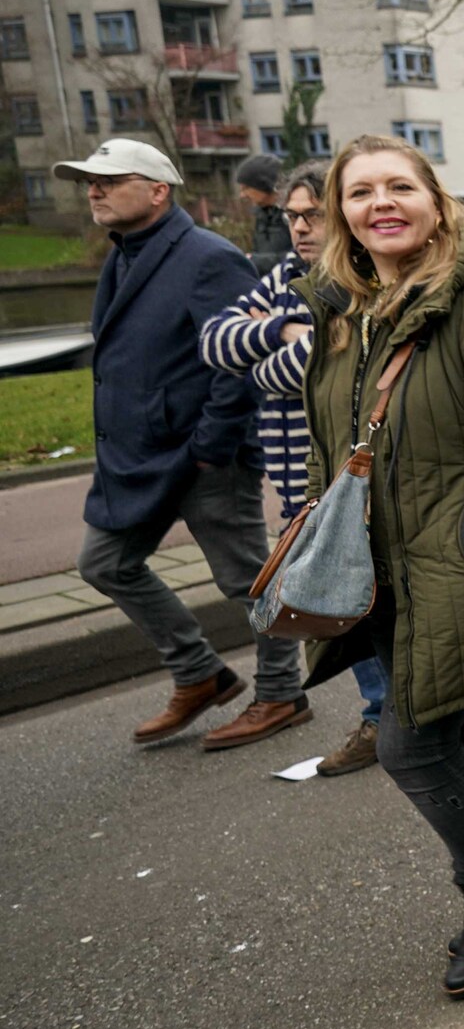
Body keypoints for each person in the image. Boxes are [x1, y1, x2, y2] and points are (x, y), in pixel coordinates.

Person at [296, 136, 464, 996]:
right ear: (342, 212)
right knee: (463, 722)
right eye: (361, 190)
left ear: (436, 201)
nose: (383, 202)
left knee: (412, 743)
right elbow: (334, 441)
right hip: (380, 564)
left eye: (400, 186)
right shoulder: (347, 307)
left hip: (461, 558)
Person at [60, 138, 308, 750]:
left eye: (109, 180)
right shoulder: (124, 254)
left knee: (248, 580)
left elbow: (240, 354)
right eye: (89, 181)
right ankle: (199, 673)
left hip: (204, 455)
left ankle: (280, 692)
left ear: (158, 190)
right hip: (138, 455)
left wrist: (210, 446)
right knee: (104, 563)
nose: (94, 189)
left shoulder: (208, 257)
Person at [201, 161, 385, 775]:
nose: (301, 228)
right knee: (342, 597)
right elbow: (214, 341)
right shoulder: (283, 277)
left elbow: (287, 372)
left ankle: (388, 716)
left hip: (354, 475)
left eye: (313, 215)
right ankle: (402, 711)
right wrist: (281, 325)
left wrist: (271, 356)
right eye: (291, 217)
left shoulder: (365, 281)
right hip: (301, 483)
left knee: (351, 593)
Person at [233, 152, 291, 276]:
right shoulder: (262, 215)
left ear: (264, 184)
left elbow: (304, 258)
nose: (242, 195)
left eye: (246, 188)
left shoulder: (294, 214)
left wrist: (256, 262)